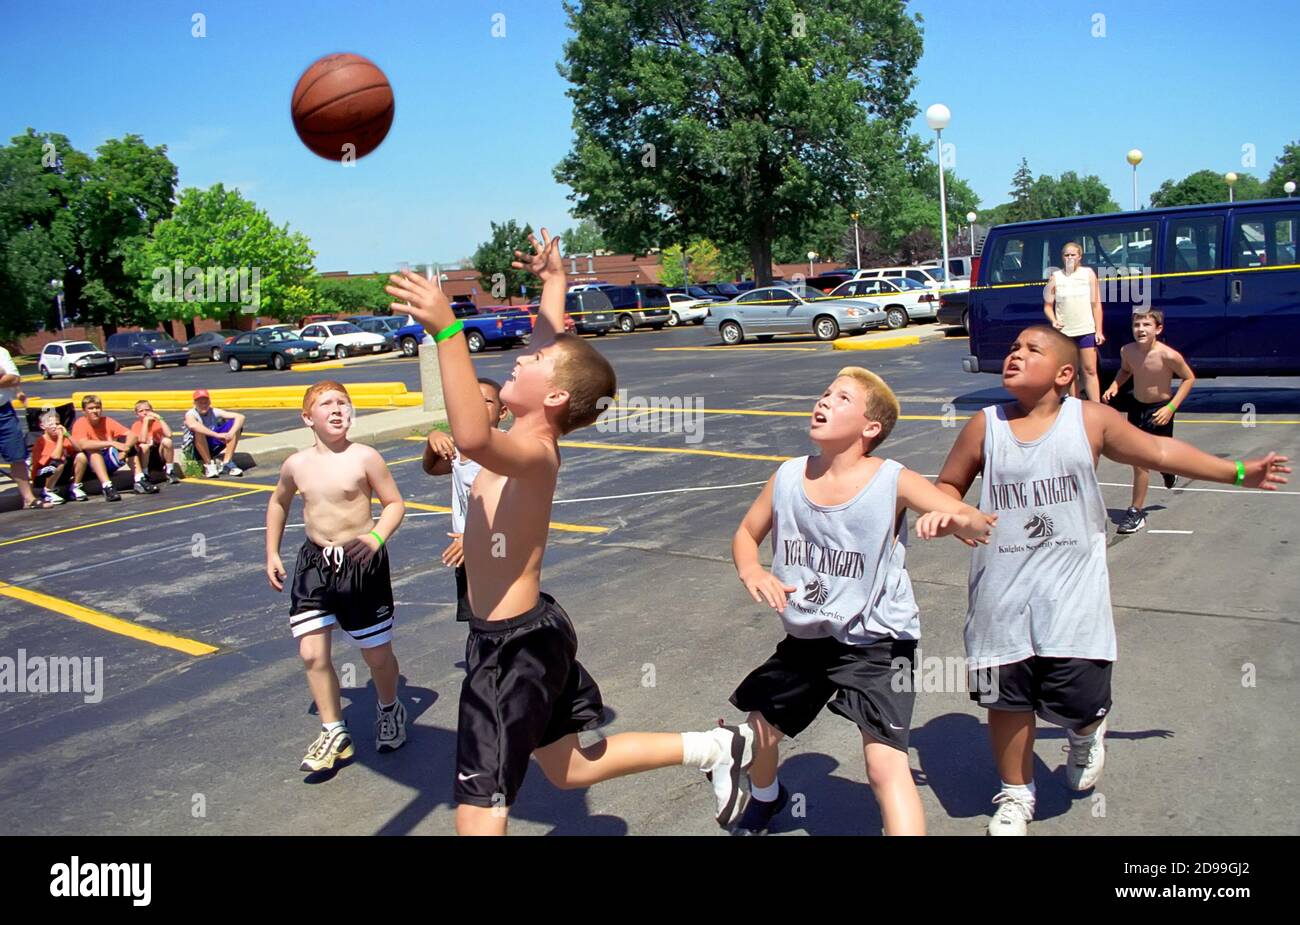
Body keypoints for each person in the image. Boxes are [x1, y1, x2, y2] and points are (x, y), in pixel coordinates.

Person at [387, 229, 757, 836]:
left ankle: (717, 752)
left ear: (553, 396)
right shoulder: (534, 421)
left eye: (530, 360)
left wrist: (448, 331)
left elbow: (474, 438)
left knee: (479, 813)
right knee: (566, 769)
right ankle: (715, 749)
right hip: (529, 635)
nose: (520, 354)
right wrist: (554, 280)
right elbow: (549, 345)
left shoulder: (535, 451)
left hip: (511, 649)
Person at [934, 324, 1289, 835]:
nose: (1015, 355)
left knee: (1079, 699)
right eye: (1013, 348)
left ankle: (1084, 732)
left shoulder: (1091, 419)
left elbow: (1161, 453)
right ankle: (1016, 793)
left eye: (1031, 350)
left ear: (1062, 374)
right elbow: (948, 484)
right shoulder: (984, 425)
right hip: (1000, 595)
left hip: (1073, 599)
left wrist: (1237, 471)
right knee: (1006, 700)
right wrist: (953, 513)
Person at [726, 367, 995, 836]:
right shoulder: (788, 476)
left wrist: (954, 521)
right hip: (809, 636)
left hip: (878, 643)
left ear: (871, 427)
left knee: (883, 765)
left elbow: (968, 518)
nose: (824, 401)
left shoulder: (892, 479)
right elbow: (747, 533)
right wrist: (753, 569)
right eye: (825, 392)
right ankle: (767, 797)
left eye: (842, 398)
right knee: (759, 731)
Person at [266, 381, 407, 772]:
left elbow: (395, 503)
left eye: (343, 402)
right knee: (312, 654)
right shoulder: (296, 464)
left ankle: (390, 707)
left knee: (377, 655)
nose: (337, 409)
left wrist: (378, 535)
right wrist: (272, 552)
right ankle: (334, 731)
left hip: (361, 562)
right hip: (314, 565)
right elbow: (278, 503)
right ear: (307, 417)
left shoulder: (366, 457)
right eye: (326, 403)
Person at [1101, 309, 1196, 533]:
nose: (1141, 329)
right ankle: (1136, 511)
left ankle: (1167, 470)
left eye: (1146, 325)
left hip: (1159, 410)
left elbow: (1189, 378)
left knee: (1159, 457)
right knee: (1139, 462)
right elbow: (1125, 371)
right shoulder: (1128, 351)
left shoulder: (1168, 355)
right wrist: (1115, 385)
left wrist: (1170, 408)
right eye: (1137, 325)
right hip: (1136, 408)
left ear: (1158, 329)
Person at [422, 379, 508, 622]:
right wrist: (433, 439)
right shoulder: (460, 447)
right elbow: (432, 468)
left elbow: (508, 508)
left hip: (496, 546)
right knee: (477, 620)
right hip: (466, 553)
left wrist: (473, 538)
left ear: (502, 412)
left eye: (487, 402)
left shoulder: (505, 449)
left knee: (502, 617)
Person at [1043, 241, 1104, 401]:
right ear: (1062, 257)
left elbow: (1096, 304)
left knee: (1089, 369)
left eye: (1073, 254)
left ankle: (1096, 405)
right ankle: (1075, 403)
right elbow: (1048, 306)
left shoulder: (1088, 274)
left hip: (1086, 329)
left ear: (1080, 256)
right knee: (1070, 371)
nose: (1070, 257)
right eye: (1066, 255)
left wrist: (1098, 330)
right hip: (1065, 332)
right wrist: (1054, 320)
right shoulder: (1056, 277)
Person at [70, 395, 156, 501]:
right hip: (89, 465)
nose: (95, 411)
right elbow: (83, 444)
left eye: (97, 407)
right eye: (91, 408)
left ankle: (140, 480)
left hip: (106, 460)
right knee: (94, 451)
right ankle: (107, 487)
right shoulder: (80, 423)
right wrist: (110, 443)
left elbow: (132, 435)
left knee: (126, 441)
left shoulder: (107, 421)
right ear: (84, 411)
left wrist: (126, 449)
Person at [0, 345, 42, 509]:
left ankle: (29, 498)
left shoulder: (1, 352)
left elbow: (14, 378)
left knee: (17, 455)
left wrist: (7, 379)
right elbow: (7, 378)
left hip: (4, 412)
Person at [182, 389, 245, 477]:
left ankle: (227, 463)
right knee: (199, 430)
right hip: (194, 451)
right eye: (200, 403)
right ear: (195, 403)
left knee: (235, 424)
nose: (203, 405)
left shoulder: (213, 411)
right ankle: (209, 465)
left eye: (206, 402)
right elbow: (193, 426)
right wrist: (217, 435)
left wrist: (231, 433)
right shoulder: (190, 414)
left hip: (210, 445)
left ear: (209, 402)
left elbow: (240, 417)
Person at [30, 409, 85, 505]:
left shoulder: (63, 437)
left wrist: (67, 434)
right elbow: (55, 457)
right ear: (43, 426)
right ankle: (46, 491)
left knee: (81, 456)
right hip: (42, 476)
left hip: (59, 472)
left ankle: (75, 487)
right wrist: (60, 438)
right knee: (58, 462)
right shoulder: (41, 442)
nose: (55, 427)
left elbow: (79, 449)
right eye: (51, 425)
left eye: (57, 424)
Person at [130, 400, 181, 485]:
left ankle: (170, 471)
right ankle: (145, 473)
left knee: (167, 441)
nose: (145, 413)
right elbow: (142, 440)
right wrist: (145, 422)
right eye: (141, 411)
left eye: (147, 410)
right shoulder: (136, 425)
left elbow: (169, 434)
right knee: (144, 446)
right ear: (137, 414)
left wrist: (159, 418)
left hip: (158, 455)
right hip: (145, 456)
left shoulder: (157, 423)